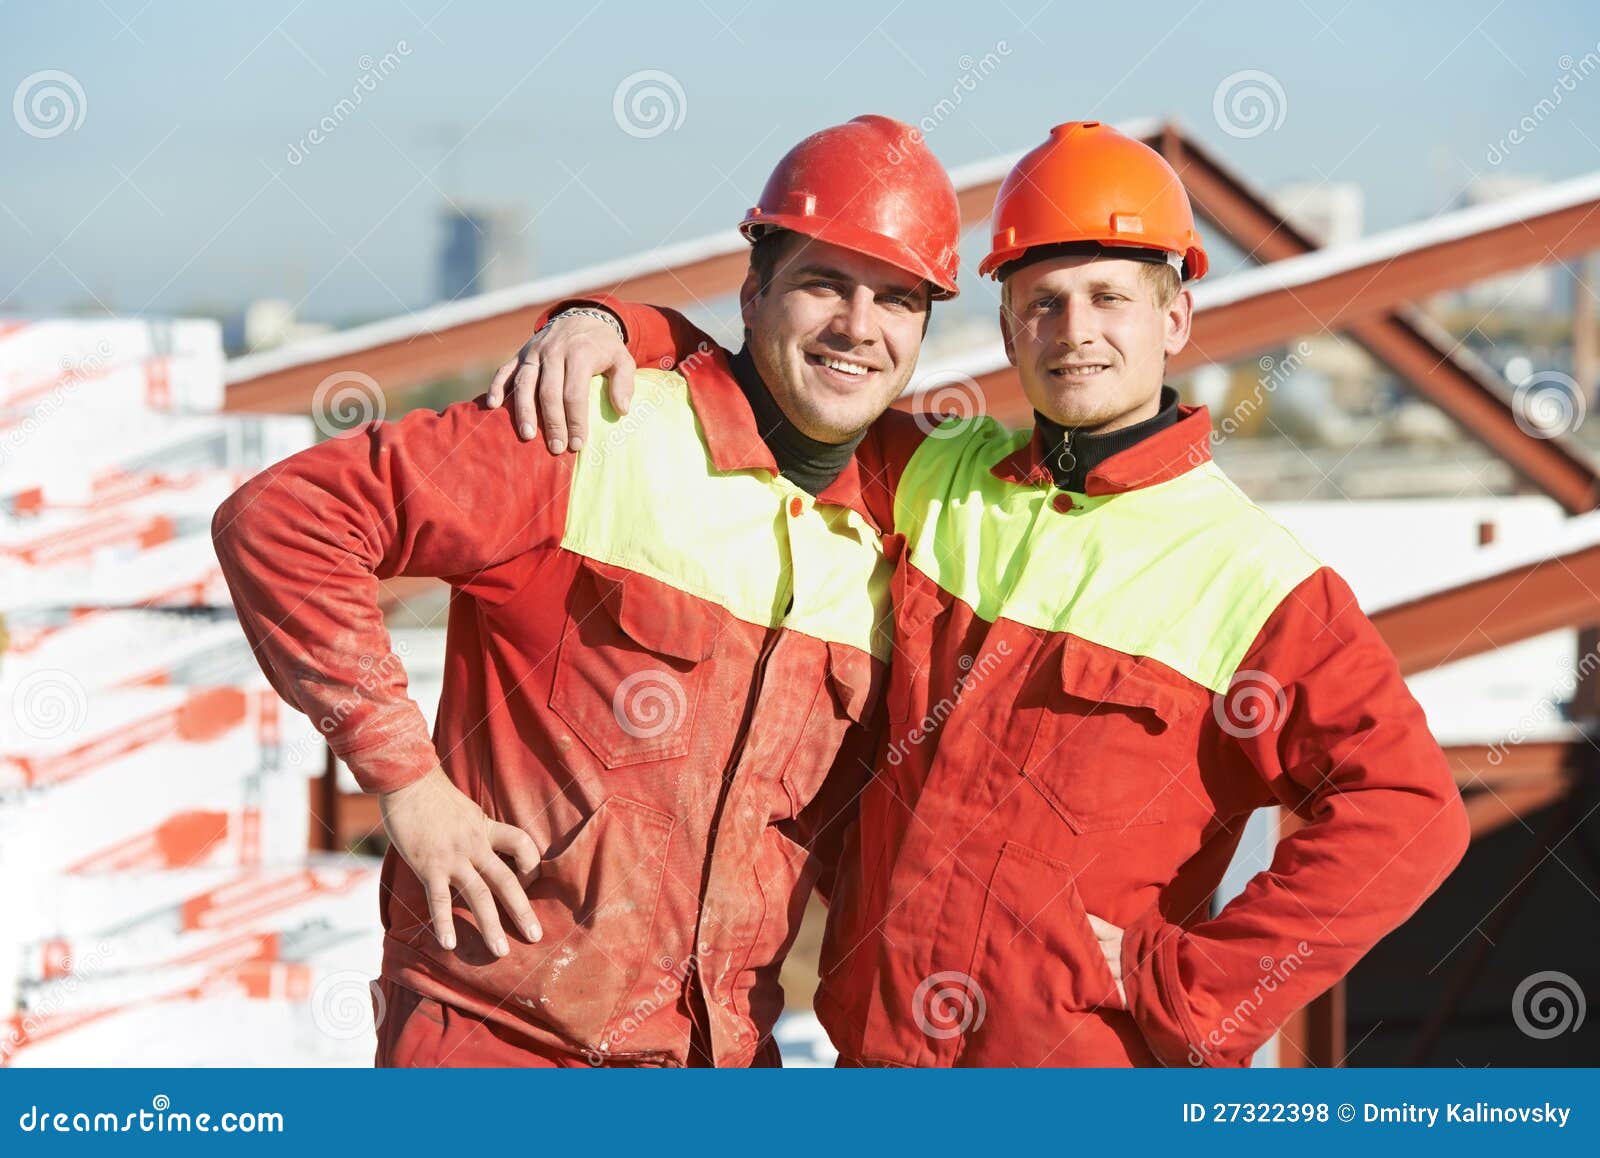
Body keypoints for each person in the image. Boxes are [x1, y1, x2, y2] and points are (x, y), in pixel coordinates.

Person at [502, 120, 1471, 1067]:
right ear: (1006, 327)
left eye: (1108, 298)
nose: (1074, 332)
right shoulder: (930, 476)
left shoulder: (1254, 577)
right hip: (875, 1065)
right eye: (1041, 303)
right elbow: (775, 382)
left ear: (1174, 318)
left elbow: (1409, 811)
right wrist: (606, 321)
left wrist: (1193, 986)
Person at [211, 114, 959, 1067]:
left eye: (897, 300)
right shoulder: (592, 426)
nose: (859, 326)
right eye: (823, 282)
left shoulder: (899, 530)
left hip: (715, 1061)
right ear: (755, 290)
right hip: (499, 1046)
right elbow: (284, 520)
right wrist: (406, 784)